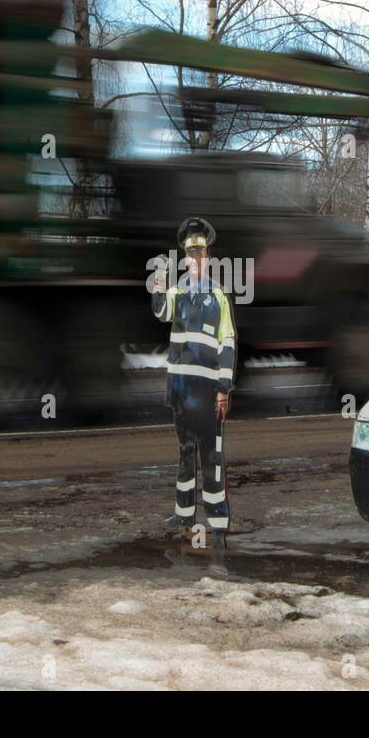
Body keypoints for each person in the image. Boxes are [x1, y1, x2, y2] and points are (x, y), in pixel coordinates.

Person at [151, 217, 236, 547]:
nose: (196, 258)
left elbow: (226, 343)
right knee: (186, 453)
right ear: (185, 258)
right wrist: (158, 282)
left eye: (200, 252)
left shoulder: (218, 296)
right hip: (182, 391)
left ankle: (217, 521)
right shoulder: (176, 292)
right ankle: (183, 515)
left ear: (208, 257)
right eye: (190, 253)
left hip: (208, 392)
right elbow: (160, 312)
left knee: (212, 455)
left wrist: (223, 390)